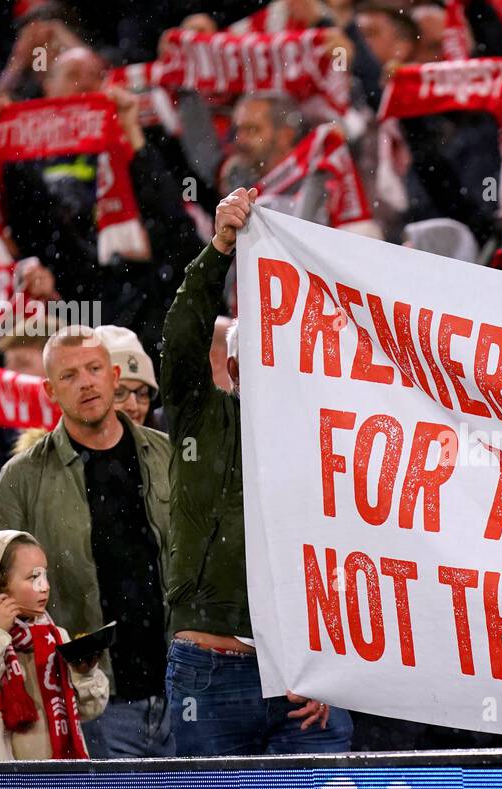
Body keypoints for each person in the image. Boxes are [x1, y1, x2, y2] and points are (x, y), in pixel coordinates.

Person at [160, 187, 352, 756]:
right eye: (264, 355)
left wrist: (336, 667)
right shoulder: (200, 415)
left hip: (307, 680)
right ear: (236, 364)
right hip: (212, 669)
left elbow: (358, 553)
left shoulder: (333, 436)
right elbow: (181, 339)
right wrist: (218, 248)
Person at [0, 328, 174, 758]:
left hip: (184, 690)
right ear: (50, 390)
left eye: (94, 369)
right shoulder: (23, 477)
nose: (85, 382)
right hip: (91, 700)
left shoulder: (169, 456)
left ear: (112, 375)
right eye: (69, 376)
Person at [0, 530, 108, 761]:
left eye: (45, 575)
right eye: (33, 577)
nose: (44, 586)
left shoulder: (54, 635)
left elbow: (89, 710)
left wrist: (85, 674)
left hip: (53, 784)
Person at [98, 325, 158, 428]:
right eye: (118, 393)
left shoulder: (166, 442)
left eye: (142, 393)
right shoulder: (63, 443)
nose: (133, 406)